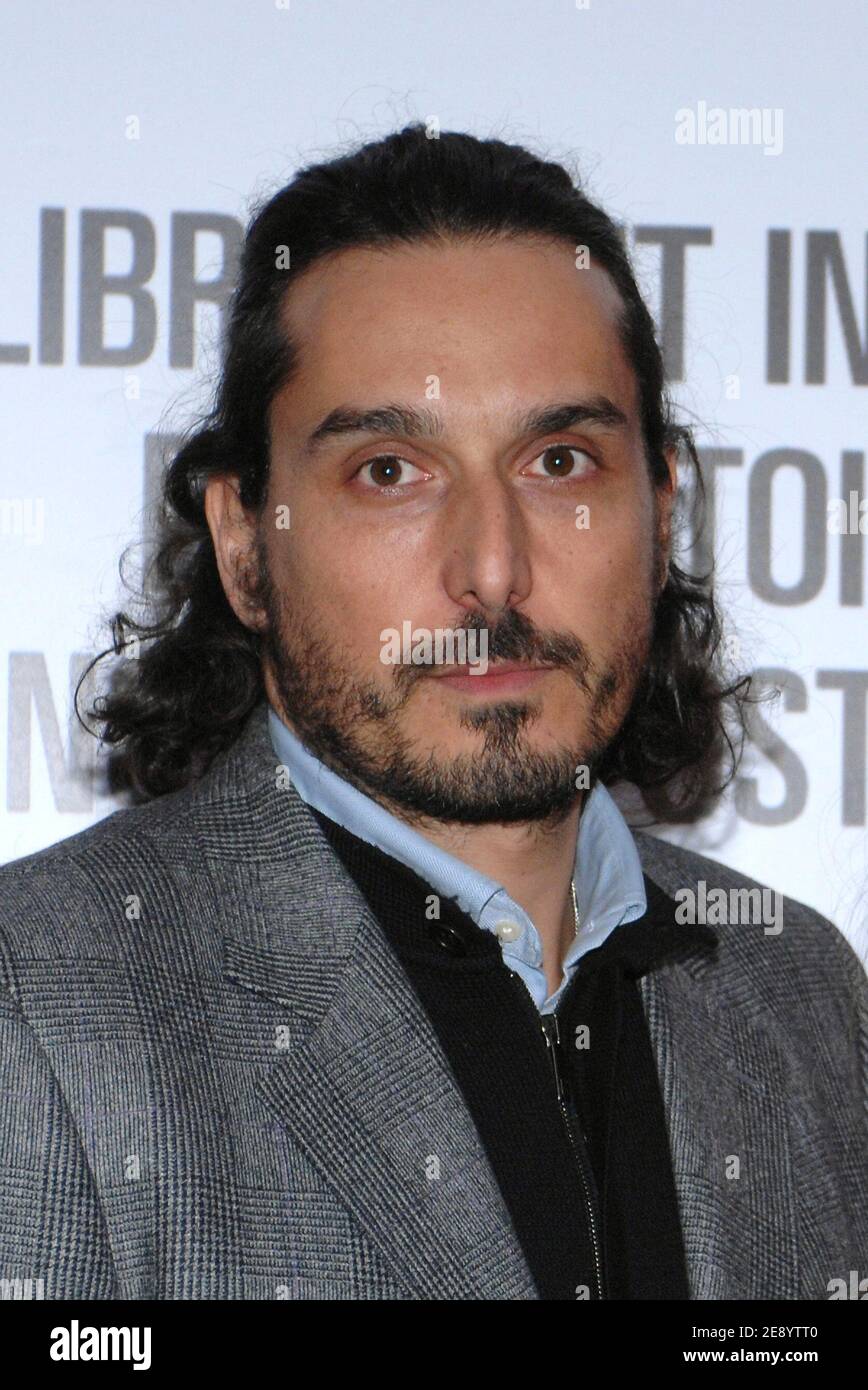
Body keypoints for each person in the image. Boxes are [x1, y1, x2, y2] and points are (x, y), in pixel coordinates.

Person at [0, 124, 864, 1301]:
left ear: (660, 514)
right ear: (245, 544)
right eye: (390, 472)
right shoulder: (41, 998)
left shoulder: (802, 988)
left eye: (559, 461)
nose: (493, 572)